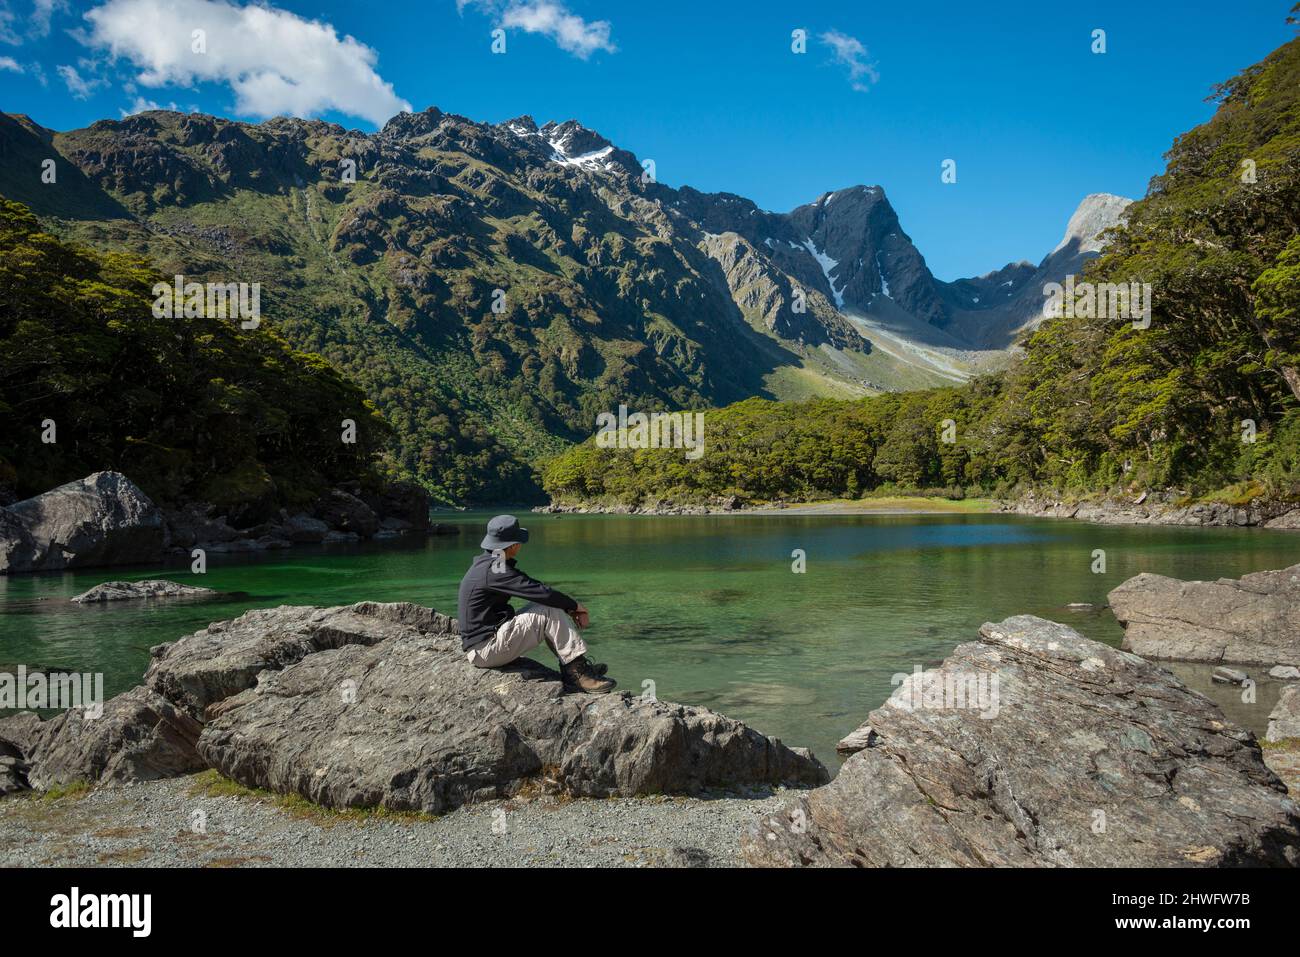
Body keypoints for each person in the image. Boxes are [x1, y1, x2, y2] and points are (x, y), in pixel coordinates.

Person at [457, 514, 616, 694]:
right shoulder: (494, 569)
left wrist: (567, 605)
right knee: (548, 610)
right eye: (518, 542)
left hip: (484, 645)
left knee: (548, 606)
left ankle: (576, 667)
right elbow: (539, 591)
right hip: (486, 650)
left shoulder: (490, 564)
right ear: (514, 545)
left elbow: (534, 588)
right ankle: (576, 676)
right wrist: (575, 606)